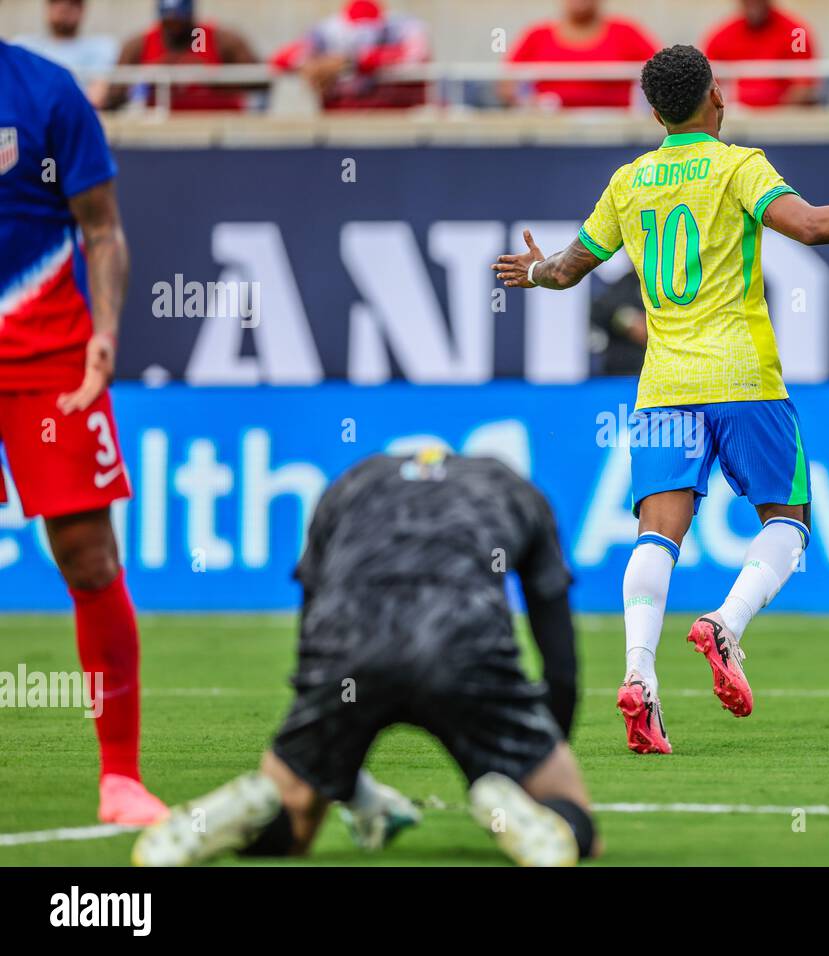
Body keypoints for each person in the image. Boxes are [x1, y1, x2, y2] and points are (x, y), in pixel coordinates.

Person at [494, 45, 829, 755]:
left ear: (654, 110)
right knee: (788, 521)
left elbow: (572, 268)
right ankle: (726, 623)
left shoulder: (631, 180)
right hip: (742, 378)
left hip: (663, 384)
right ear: (715, 100)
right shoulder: (738, 166)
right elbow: (815, 226)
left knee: (656, 533)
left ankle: (640, 675)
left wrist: (537, 270)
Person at [133, 448, 596, 867]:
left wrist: (324, 770)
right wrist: (540, 756)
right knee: (575, 823)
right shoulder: (515, 489)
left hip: (346, 650)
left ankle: (244, 812)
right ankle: (528, 813)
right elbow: (559, 660)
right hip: (460, 645)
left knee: (294, 821)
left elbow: (313, 624)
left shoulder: (352, 482)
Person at [0, 39, 167, 825]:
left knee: (89, 554)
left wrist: (105, 332)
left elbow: (101, 228)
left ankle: (119, 780)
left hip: (49, 356)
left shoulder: (47, 91)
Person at [270, 0, 430, 111]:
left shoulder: (404, 26)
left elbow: (417, 56)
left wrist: (353, 62)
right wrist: (311, 64)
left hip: (395, 118)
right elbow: (281, 59)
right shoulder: (327, 30)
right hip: (342, 118)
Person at [109, 0, 260, 112]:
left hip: (219, 126)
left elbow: (261, 80)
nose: (175, 28)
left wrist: (214, 79)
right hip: (165, 131)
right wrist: (145, 81)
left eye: (180, 21)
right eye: (169, 22)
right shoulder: (140, 45)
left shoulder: (220, 39)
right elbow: (112, 98)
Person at [502, 0, 657, 109]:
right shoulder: (537, 35)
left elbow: (661, 74)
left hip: (616, 132)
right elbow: (506, 85)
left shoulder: (626, 32)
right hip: (548, 131)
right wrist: (529, 103)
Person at [702, 0, 821, 108]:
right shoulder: (719, 38)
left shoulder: (796, 34)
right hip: (733, 120)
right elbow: (708, 89)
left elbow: (804, 86)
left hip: (785, 120)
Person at [14, 0, 119, 108]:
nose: (64, 8)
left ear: (83, 9)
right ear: (47, 7)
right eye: (56, 2)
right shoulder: (24, 46)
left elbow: (96, 97)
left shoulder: (102, 47)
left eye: (73, 3)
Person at [590, 270, 648, 375]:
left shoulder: (678, 283)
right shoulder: (630, 281)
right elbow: (600, 310)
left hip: (665, 366)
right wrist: (629, 320)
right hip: (624, 370)